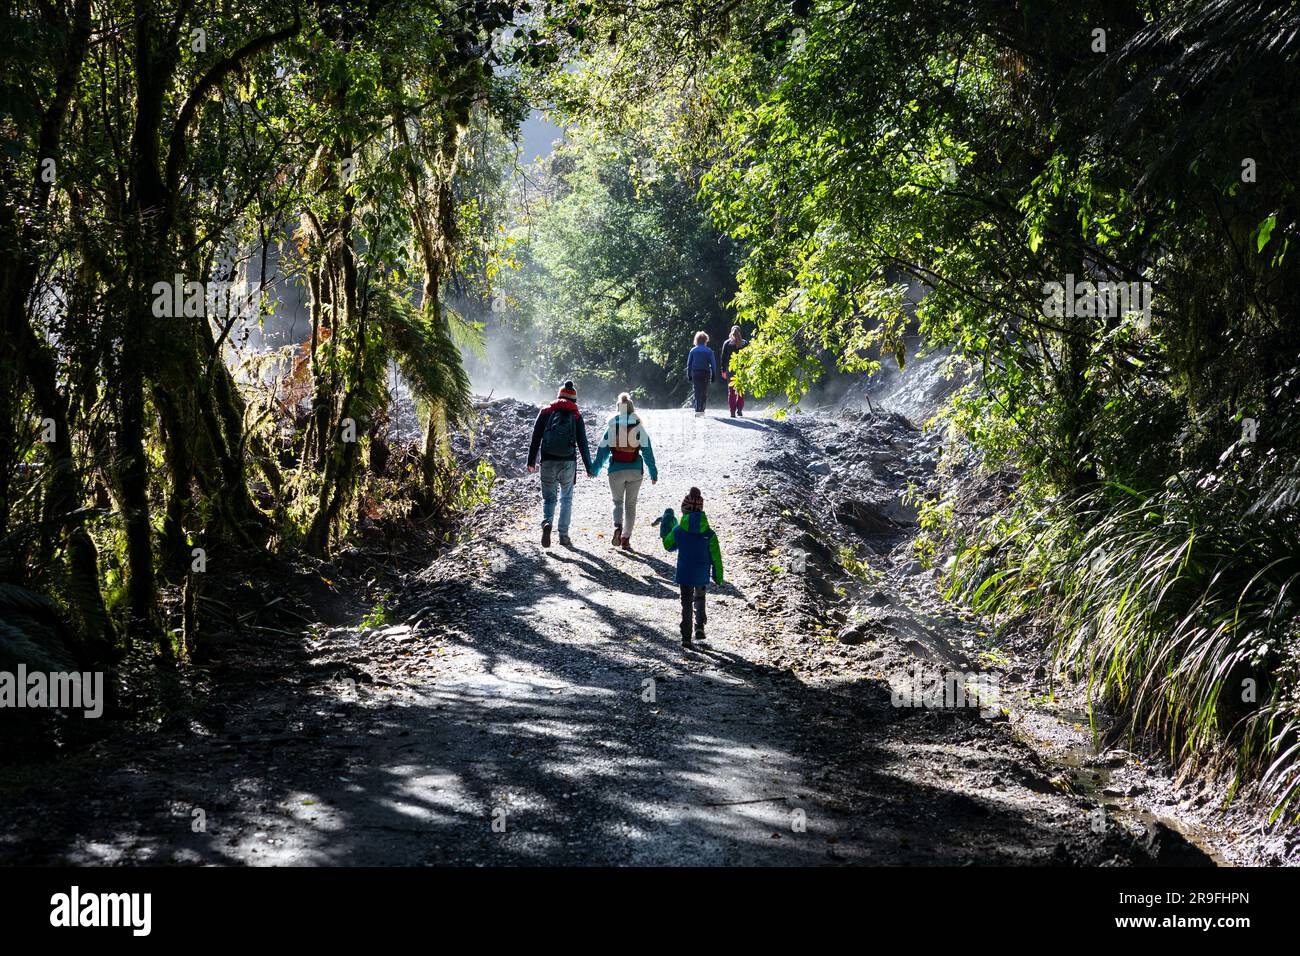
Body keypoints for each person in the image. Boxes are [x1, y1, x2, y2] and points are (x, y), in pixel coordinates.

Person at [526, 380, 594, 548]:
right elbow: (582, 443)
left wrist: (531, 461)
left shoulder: (546, 411)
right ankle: (563, 536)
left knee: (549, 498)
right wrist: (588, 466)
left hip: (548, 460)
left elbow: (535, 438)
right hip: (568, 462)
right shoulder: (576, 415)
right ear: (574, 400)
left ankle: (547, 523)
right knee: (566, 499)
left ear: (558, 396)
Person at [658, 487, 725, 649]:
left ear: (684, 510)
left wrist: (667, 529)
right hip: (702, 573)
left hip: (685, 573)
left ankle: (686, 637)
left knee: (686, 603)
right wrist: (718, 575)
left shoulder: (679, 530)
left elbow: (669, 546)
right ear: (701, 511)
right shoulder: (709, 534)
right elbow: (716, 557)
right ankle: (700, 627)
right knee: (700, 599)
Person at [591, 392, 659, 550]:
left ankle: (617, 526)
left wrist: (594, 470)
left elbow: (602, 452)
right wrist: (653, 473)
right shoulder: (639, 428)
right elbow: (648, 453)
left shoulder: (612, 428)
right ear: (632, 409)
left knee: (617, 502)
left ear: (619, 409)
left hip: (615, 471)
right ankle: (626, 538)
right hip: (635, 471)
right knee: (630, 505)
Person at [685, 331, 717, 416]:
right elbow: (713, 364)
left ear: (697, 340)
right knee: (704, 390)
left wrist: (689, 374)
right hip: (706, 373)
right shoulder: (709, 351)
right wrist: (714, 374)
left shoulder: (693, 350)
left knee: (697, 390)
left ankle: (697, 408)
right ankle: (702, 408)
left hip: (696, 373)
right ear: (705, 340)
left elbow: (689, 364)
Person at [719, 325, 747, 418]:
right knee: (741, 389)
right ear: (740, 332)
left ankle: (732, 411)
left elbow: (723, 358)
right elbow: (749, 358)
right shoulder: (745, 343)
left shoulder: (727, 343)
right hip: (743, 369)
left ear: (731, 332)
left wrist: (723, 371)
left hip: (730, 369)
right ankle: (739, 409)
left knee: (731, 390)